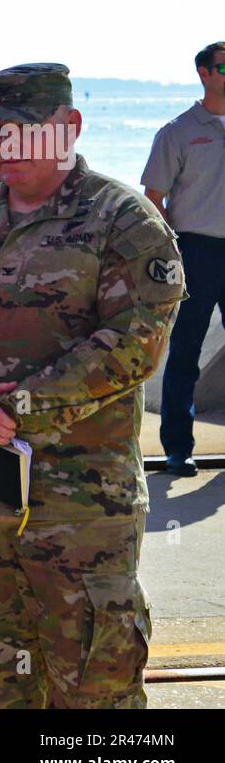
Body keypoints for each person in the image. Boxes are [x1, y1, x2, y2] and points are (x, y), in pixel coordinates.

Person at [0, 63, 183, 708]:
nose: (8, 147)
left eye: (27, 131)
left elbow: (135, 344)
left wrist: (15, 409)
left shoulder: (123, 222)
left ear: (70, 127)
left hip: (83, 509)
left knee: (94, 686)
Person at [142, 41, 225, 477]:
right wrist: (171, 243)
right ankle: (178, 448)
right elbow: (152, 196)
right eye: (224, 66)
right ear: (204, 73)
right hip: (195, 249)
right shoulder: (177, 131)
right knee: (185, 354)